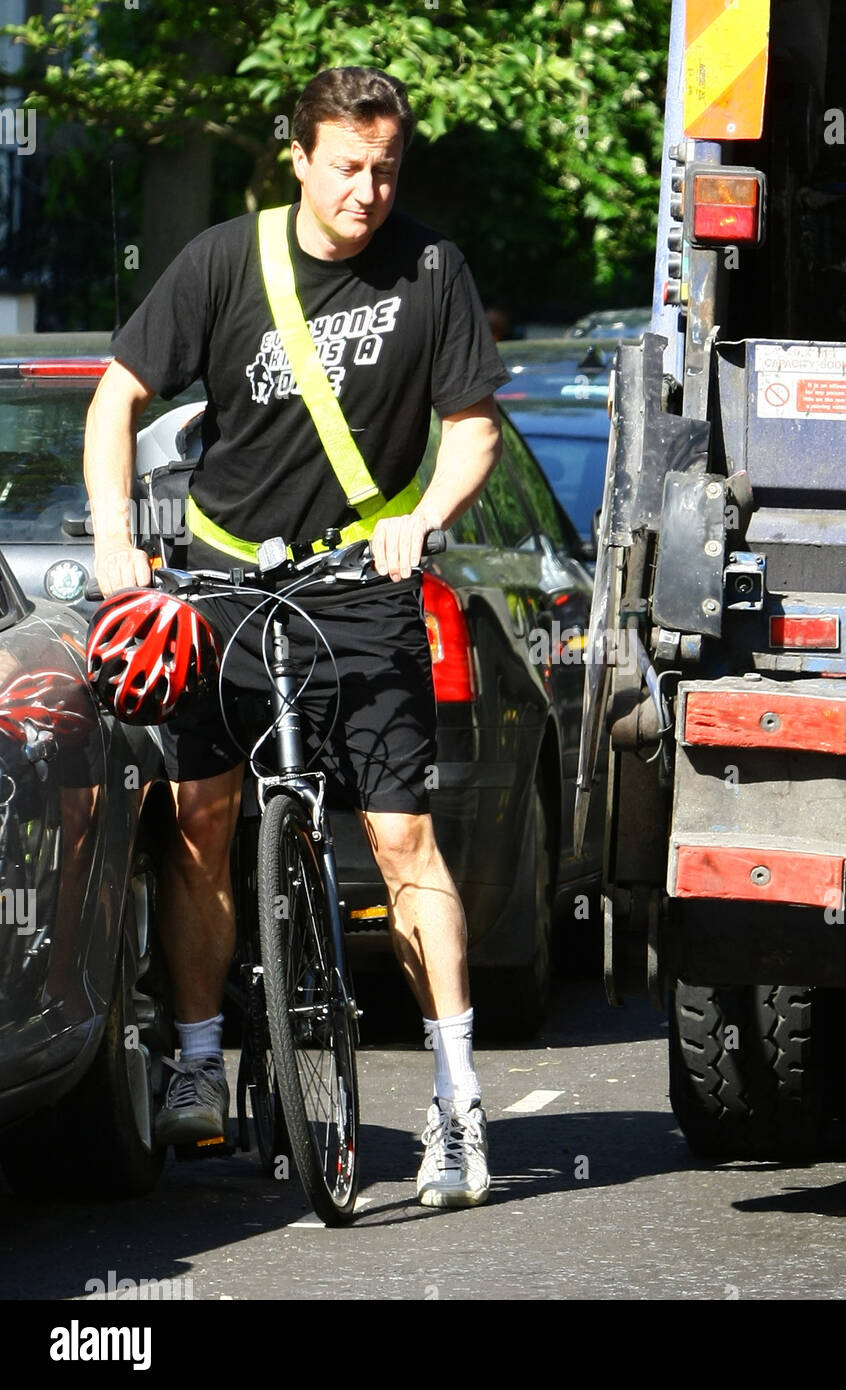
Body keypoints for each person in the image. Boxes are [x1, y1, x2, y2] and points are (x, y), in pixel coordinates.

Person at [83, 66, 510, 1209]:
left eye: (385, 168)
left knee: (404, 839)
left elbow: (473, 428)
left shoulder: (431, 267)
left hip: (361, 584)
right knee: (200, 818)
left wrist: (422, 518)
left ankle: (458, 1106)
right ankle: (194, 1056)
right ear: (301, 157)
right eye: (346, 166)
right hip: (225, 579)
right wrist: (121, 537)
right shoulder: (225, 260)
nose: (367, 190)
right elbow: (115, 394)